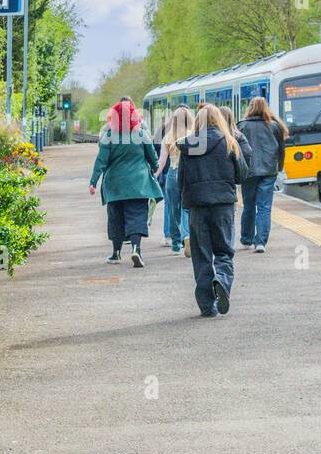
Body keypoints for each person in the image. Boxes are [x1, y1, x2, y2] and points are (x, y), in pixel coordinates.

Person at [177, 104, 249, 317]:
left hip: (197, 206)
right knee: (224, 252)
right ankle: (222, 281)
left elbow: (181, 180)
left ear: (198, 121)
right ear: (218, 120)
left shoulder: (187, 146)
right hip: (223, 206)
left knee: (201, 256)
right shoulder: (229, 142)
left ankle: (207, 306)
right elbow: (241, 175)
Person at [89, 98, 162, 267]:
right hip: (139, 184)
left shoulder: (108, 136)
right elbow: (153, 158)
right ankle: (136, 249)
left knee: (116, 218)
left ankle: (116, 254)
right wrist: (155, 167)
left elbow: (101, 161)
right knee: (137, 216)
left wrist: (93, 182)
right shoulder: (141, 134)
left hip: (115, 185)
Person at [237, 95, 288, 253]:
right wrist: (279, 166)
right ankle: (261, 242)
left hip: (248, 171)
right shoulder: (274, 126)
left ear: (250, 108)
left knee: (249, 205)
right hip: (268, 170)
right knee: (265, 207)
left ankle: (246, 239)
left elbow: (237, 150)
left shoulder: (242, 126)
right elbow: (281, 149)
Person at [154, 105, 194, 255]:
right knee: (186, 207)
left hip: (172, 174)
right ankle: (187, 235)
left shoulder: (168, 137)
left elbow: (162, 162)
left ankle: (176, 244)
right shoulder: (193, 135)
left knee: (172, 209)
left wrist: (155, 175)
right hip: (188, 175)